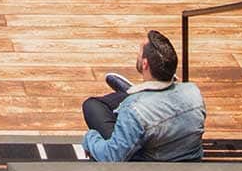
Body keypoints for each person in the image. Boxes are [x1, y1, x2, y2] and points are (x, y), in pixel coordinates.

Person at [80, 31, 206, 163]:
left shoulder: (133, 110)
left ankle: (135, 92)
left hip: (148, 162)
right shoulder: (193, 92)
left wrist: (90, 138)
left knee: (91, 105)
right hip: (184, 154)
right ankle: (142, 90)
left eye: (139, 52)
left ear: (145, 64)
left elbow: (112, 156)